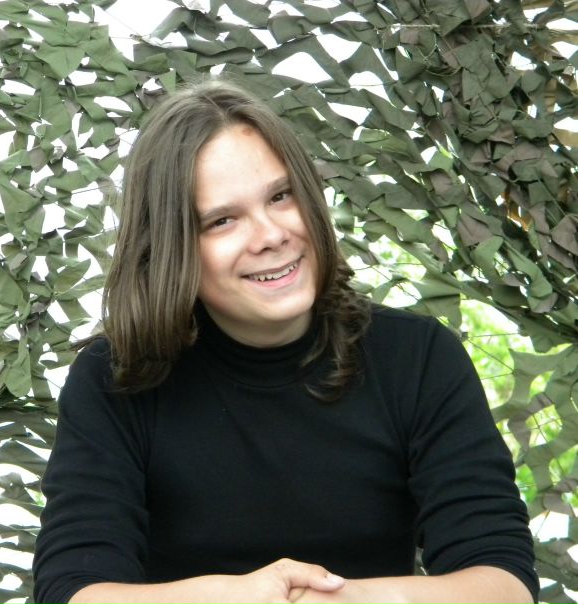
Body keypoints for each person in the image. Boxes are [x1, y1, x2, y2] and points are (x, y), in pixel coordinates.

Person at [32, 78, 538, 604]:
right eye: (222, 220)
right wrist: (241, 599)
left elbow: (504, 581)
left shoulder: (418, 358)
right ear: (169, 246)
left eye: (281, 196)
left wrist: (349, 600)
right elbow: (71, 591)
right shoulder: (114, 378)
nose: (271, 235)